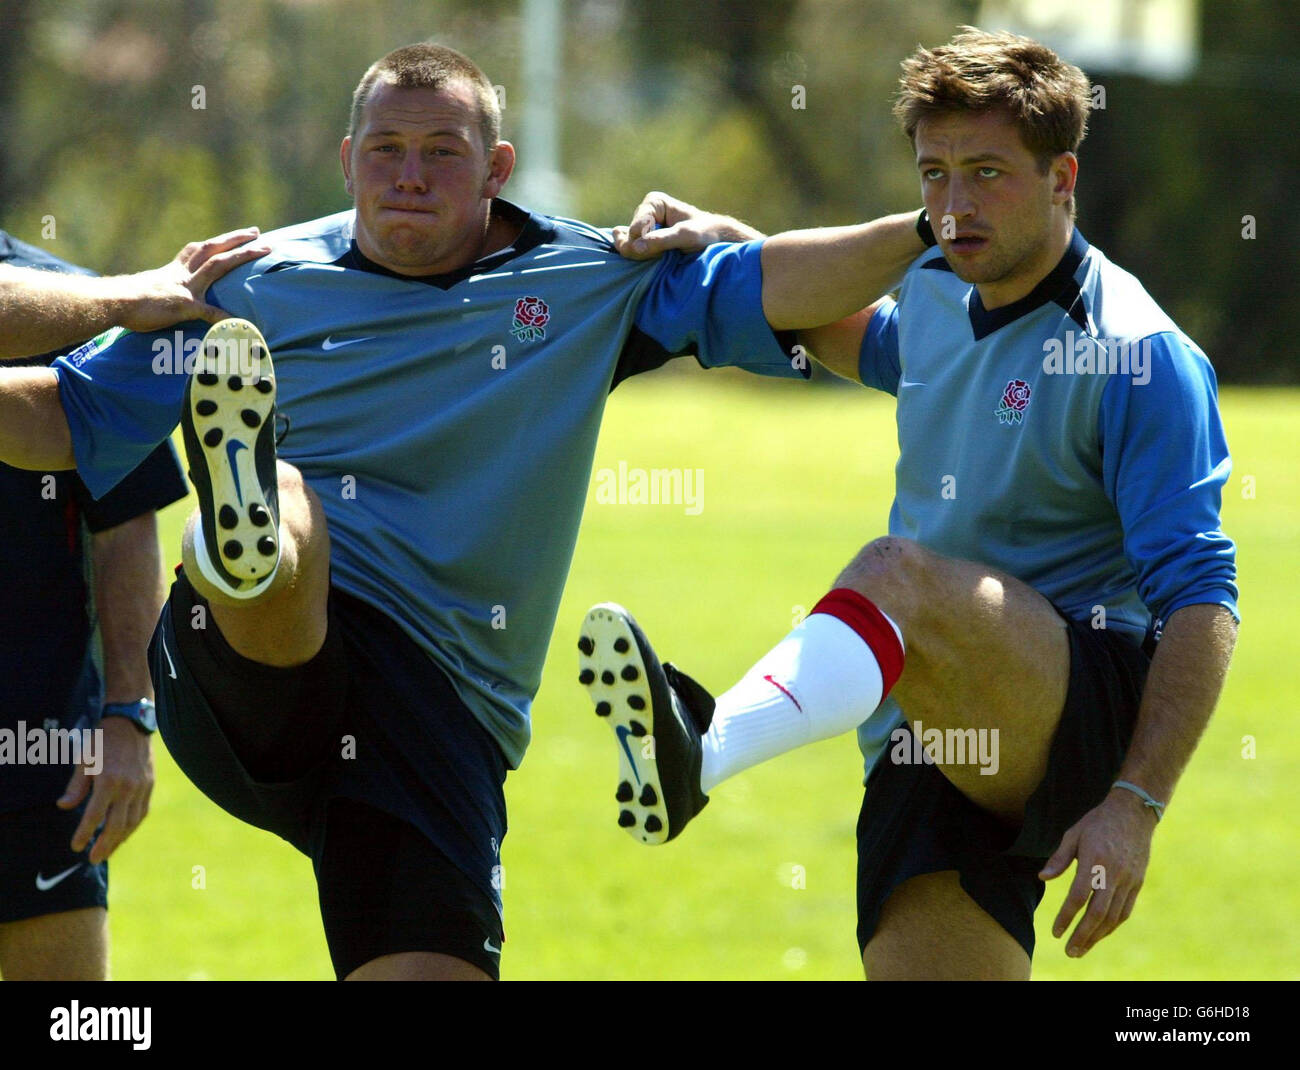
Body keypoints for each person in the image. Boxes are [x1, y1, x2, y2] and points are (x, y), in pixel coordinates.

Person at [0, 43, 928, 980]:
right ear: (346, 157)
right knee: (289, 513)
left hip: (441, 702)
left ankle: (239, 534)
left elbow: (778, 284)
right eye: (385, 150)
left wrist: (930, 223)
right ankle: (241, 540)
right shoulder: (249, 283)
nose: (408, 176)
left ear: (498, 167)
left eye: (441, 151)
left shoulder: (593, 277)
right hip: (248, 676)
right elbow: (69, 420)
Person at [576, 27, 1239, 980]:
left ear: (1064, 180)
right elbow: (872, 347)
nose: (953, 206)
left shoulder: (1136, 352)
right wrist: (739, 248)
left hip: (1077, 705)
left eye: (987, 173)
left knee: (895, 575)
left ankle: (703, 749)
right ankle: (709, 749)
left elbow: (1203, 598)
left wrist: (1135, 805)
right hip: (927, 720)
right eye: (934, 174)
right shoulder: (936, 283)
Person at [0, 226, 265, 979]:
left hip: (37, 752)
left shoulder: (83, 311)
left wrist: (129, 713)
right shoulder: (116, 300)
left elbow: (125, 531)